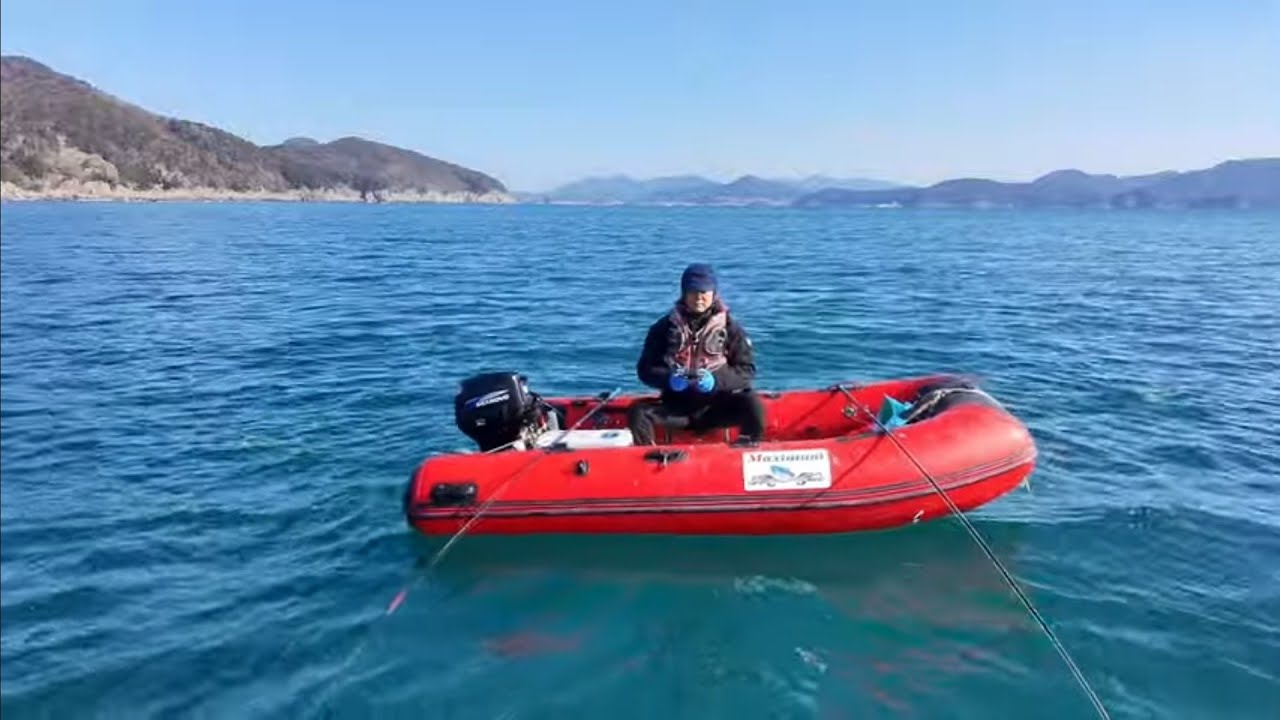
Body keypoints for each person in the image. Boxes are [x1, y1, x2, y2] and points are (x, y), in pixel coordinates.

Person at [628, 263, 766, 445]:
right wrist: (669, 379)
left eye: (704, 292)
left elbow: (746, 370)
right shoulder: (663, 328)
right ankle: (647, 455)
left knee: (752, 403)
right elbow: (645, 370)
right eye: (693, 291)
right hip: (676, 409)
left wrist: (716, 381)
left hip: (716, 407)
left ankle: (748, 448)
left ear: (713, 293)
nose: (699, 297)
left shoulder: (730, 328)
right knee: (638, 412)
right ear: (684, 293)